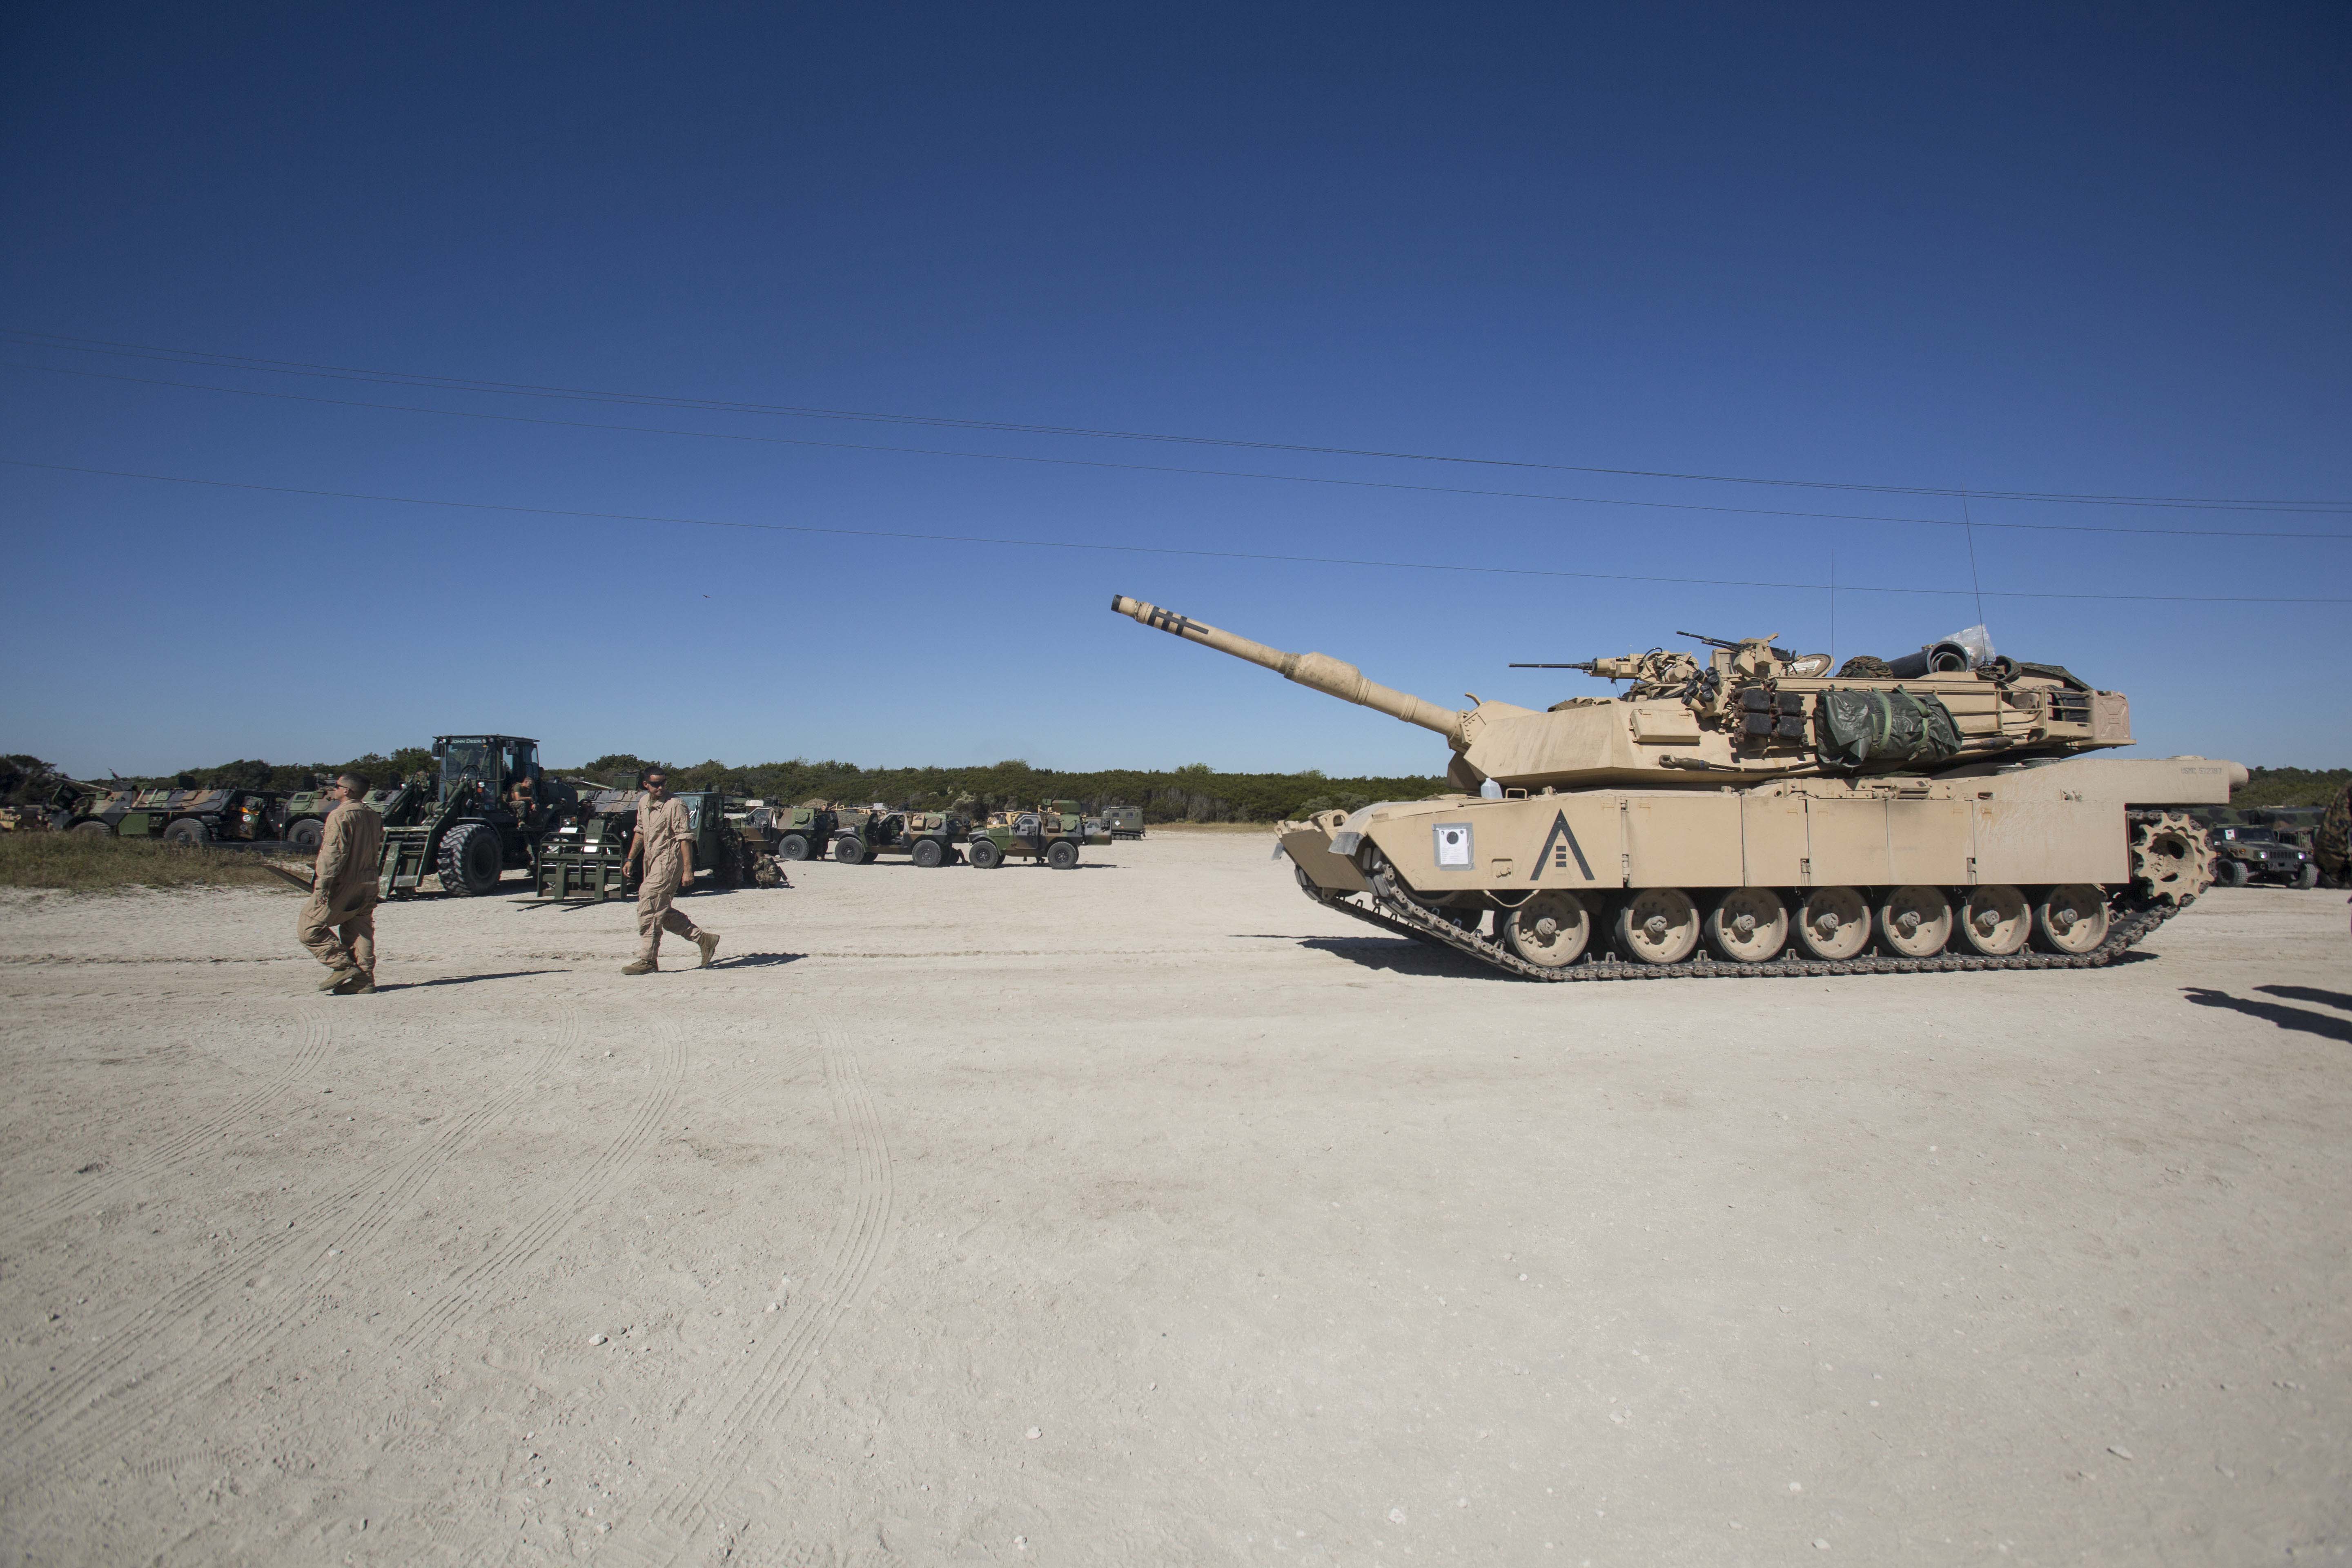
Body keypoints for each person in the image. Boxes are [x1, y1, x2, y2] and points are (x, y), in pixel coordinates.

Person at [621, 768, 720, 975]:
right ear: (645, 785)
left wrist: (688, 870)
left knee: (649, 905)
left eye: (663, 783)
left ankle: (648, 960)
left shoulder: (676, 805)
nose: (660, 787)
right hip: (651, 860)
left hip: (669, 861)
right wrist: (631, 858)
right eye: (655, 784)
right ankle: (703, 939)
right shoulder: (643, 803)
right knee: (660, 910)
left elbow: (685, 838)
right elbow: (640, 832)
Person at [299, 773, 383, 995]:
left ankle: (344, 967)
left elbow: (333, 854)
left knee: (309, 929)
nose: (332, 790)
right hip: (369, 881)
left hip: (344, 883)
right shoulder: (373, 816)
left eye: (337, 786)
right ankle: (363, 982)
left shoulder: (340, 815)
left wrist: (323, 884)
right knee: (359, 930)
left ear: (347, 791)